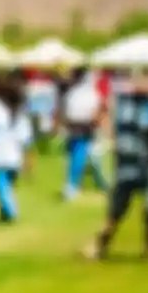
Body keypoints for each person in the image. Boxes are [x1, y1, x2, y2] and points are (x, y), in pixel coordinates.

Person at [84, 72, 148, 263]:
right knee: (116, 208)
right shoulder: (122, 101)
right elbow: (103, 118)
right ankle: (100, 245)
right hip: (128, 162)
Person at [0, 74, 34, 223]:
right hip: (15, 156)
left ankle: (11, 211)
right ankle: (4, 212)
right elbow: (26, 139)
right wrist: (28, 159)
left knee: (0, 186)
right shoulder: (20, 114)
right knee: (8, 185)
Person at [58, 66, 108, 200]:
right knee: (84, 157)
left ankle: (77, 184)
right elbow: (98, 109)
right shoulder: (88, 92)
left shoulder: (74, 92)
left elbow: (66, 112)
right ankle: (75, 185)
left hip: (77, 127)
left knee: (81, 157)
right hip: (85, 127)